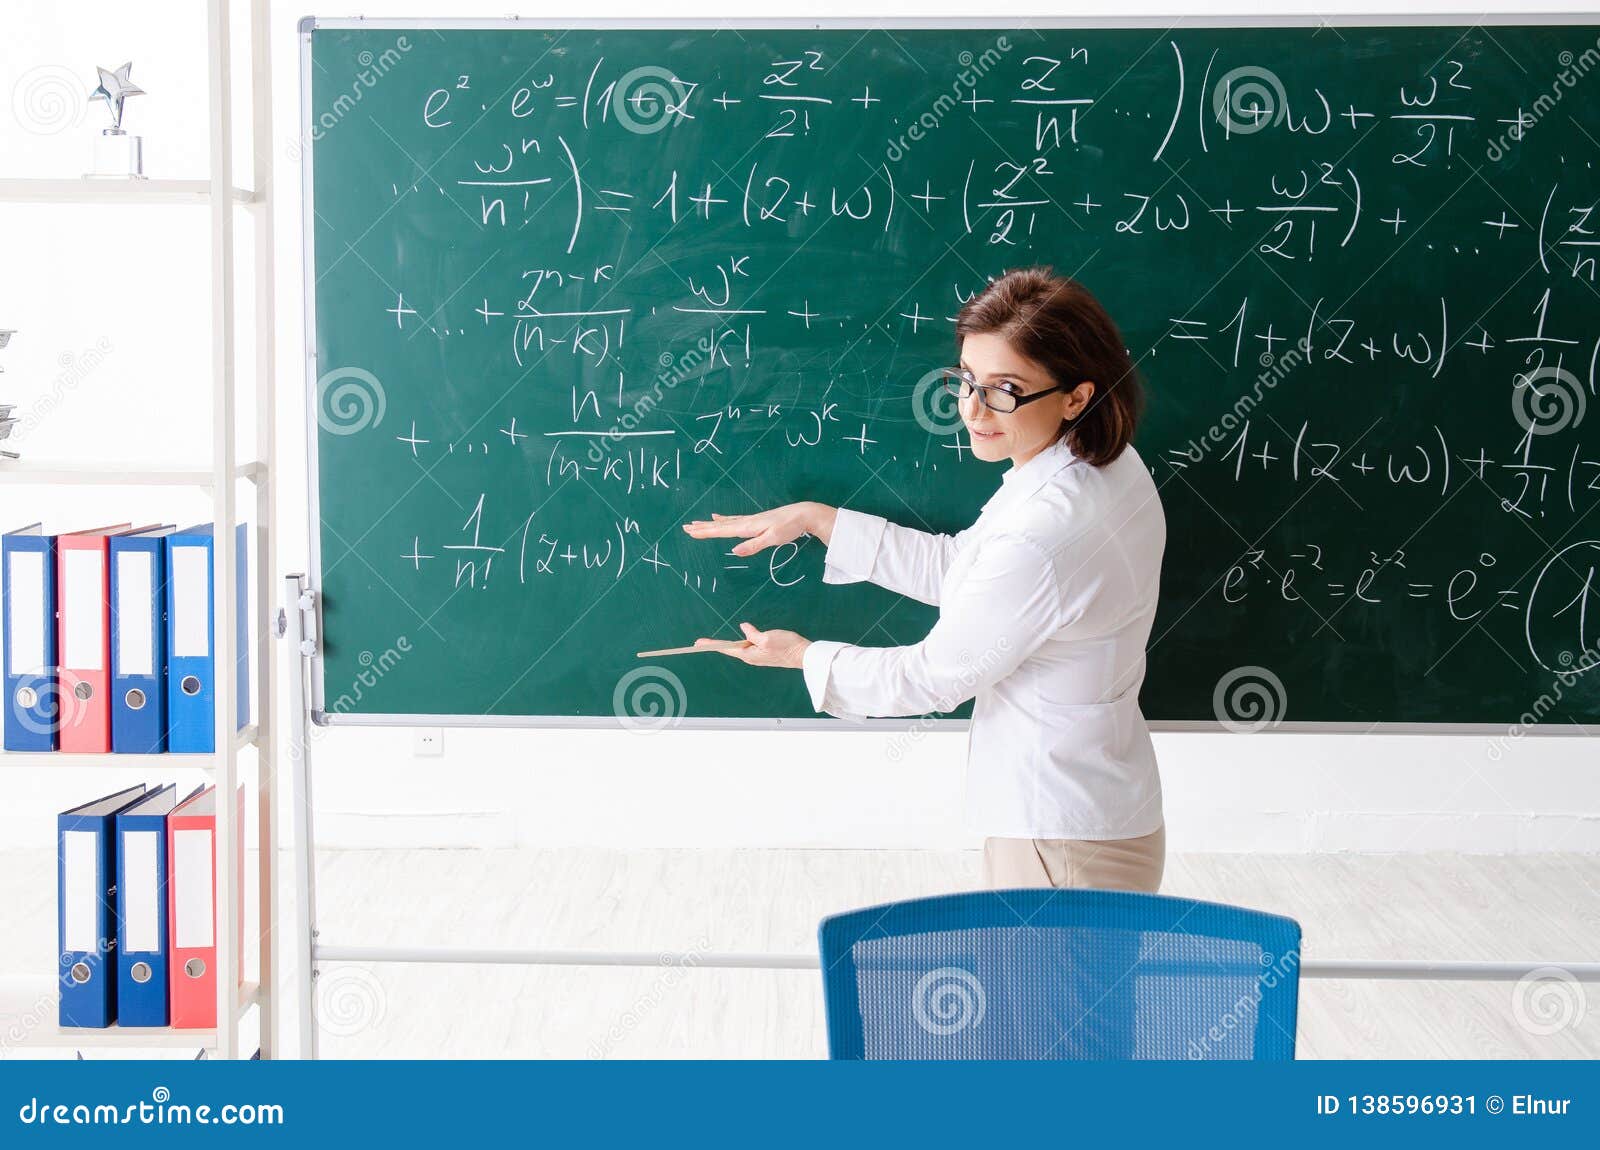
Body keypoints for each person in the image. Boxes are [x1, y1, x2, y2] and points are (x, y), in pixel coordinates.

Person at [681, 266, 1167, 892]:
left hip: (1058, 839)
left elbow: (932, 676)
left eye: (1007, 390)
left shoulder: (1045, 531)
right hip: (1095, 811)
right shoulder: (1107, 466)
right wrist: (819, 520)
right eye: (966, 380)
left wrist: (802, 656)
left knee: (1040, 965)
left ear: (1076, 397)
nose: (973, 409)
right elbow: (973, 573)